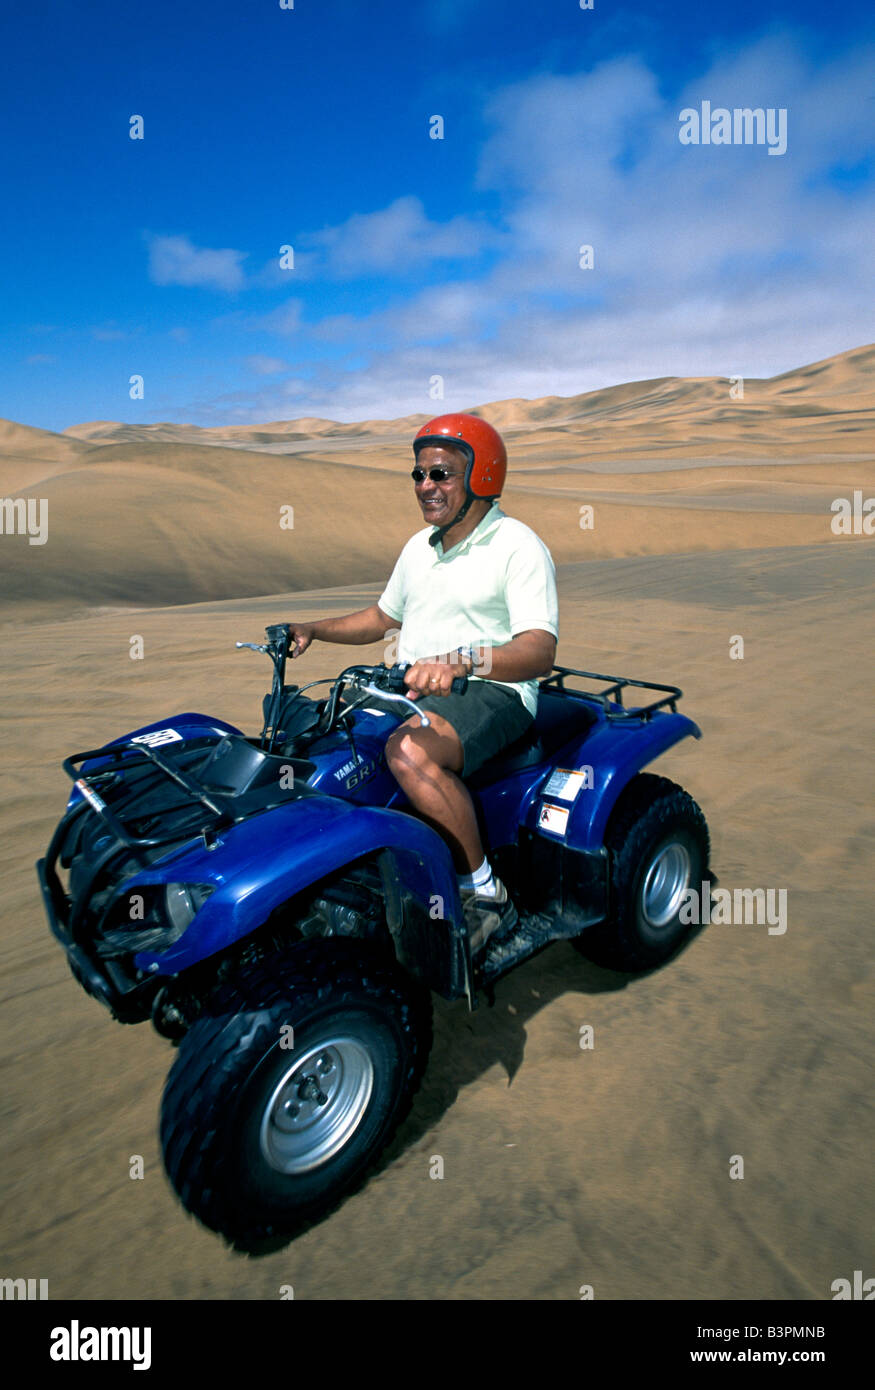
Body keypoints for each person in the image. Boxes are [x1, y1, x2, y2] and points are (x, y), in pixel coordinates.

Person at [286, 412, 559, 955]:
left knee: (408, 753)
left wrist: (464, 661)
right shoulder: (419, 548)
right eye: (418, 475)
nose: (426, 487)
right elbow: (382, 618)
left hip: (493, 691)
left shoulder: (516, 546)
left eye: (441, 474)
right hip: (410, 686)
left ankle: (486, 891)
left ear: (480, 478)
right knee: (320, 745)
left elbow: (539, 652)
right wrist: (312, 629)